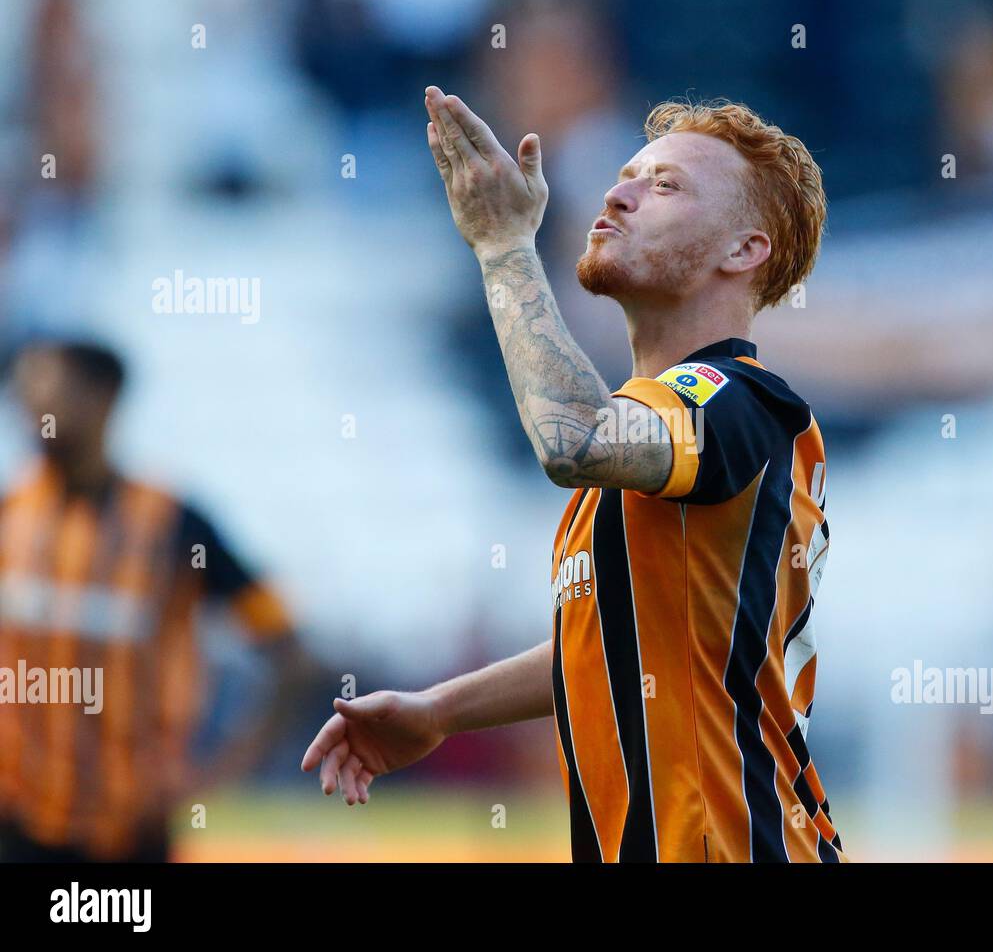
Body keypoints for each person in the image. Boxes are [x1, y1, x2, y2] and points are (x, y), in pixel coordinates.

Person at [303, 89, 843, 862]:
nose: (618, 193)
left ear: (743, 250)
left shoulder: (739, 400)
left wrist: (502, 247)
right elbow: (611, 643)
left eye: (665, 185)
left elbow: (571, 441)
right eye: (627, 174)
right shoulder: (654, 438)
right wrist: (441, 710)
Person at [0, 339, 302, 862]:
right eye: (21, 388)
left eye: (47, 385)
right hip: (16, 825)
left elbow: (290, 655)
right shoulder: (9, 515)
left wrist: (218, 771)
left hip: (130, 833)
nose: (30, 403)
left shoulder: (177, 525)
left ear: (106, 398)